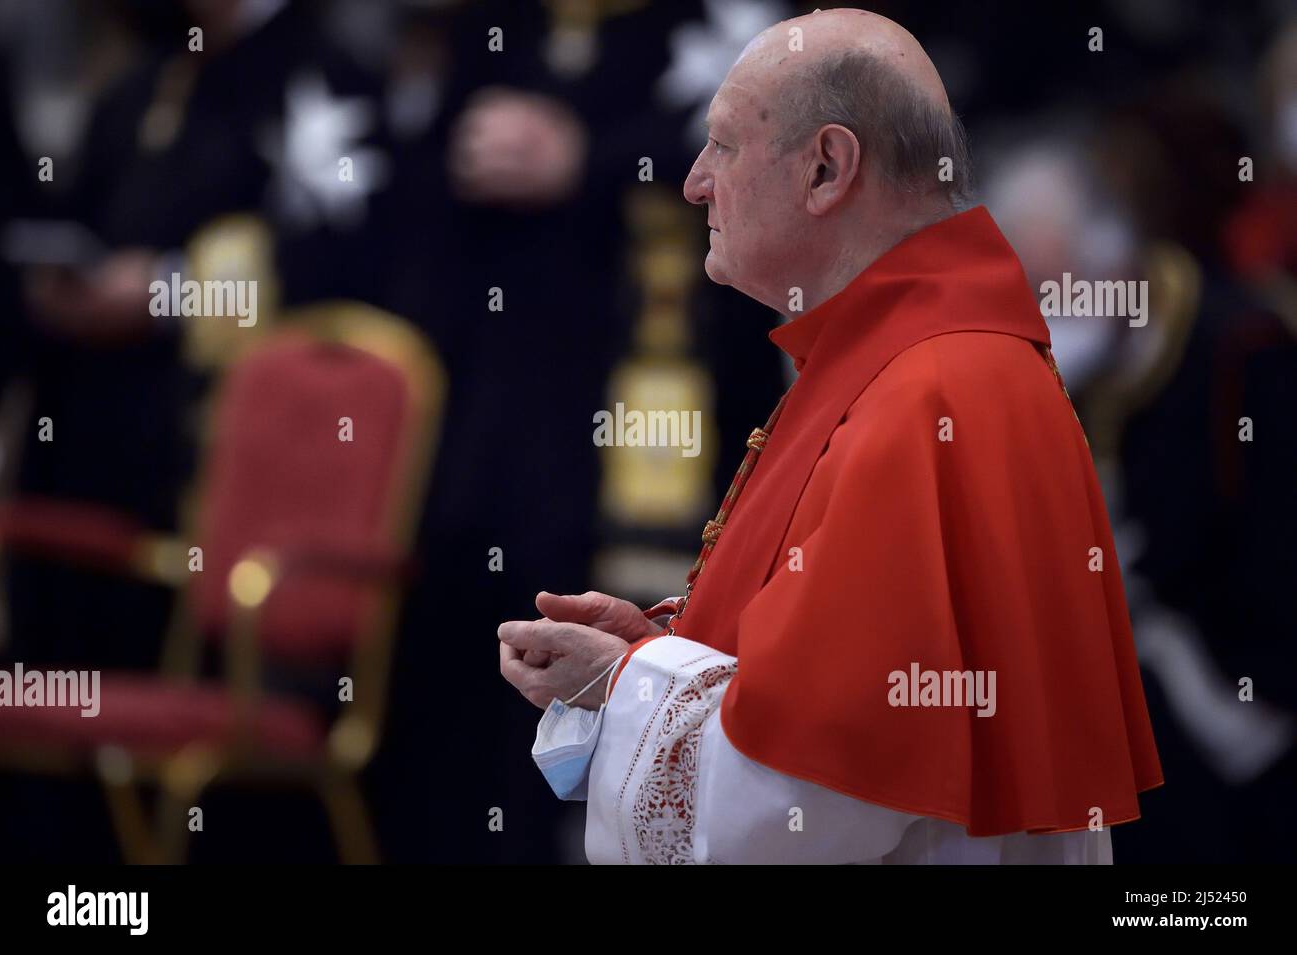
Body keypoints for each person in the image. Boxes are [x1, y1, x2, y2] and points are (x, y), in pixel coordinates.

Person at [497, 8, 1163, 864]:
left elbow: (799, 800)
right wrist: (664, 650)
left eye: (725, 147)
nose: (695, 182)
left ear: (826, 168)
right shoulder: (914, 361)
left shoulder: (926, 397)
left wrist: (627, 684)